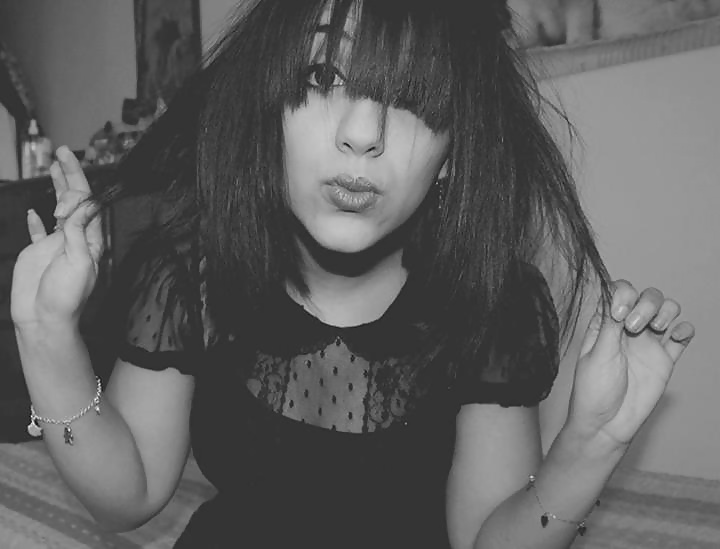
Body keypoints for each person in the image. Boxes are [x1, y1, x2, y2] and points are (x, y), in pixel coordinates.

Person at [11, 0, 695, 548]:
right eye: (321, 78)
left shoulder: (494, 303)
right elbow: (126, 495)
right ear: (269, 109)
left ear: (453, 152)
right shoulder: (191, 274)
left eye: (415, 97)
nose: (363, 134)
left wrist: (591, 443)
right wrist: (46, 335)